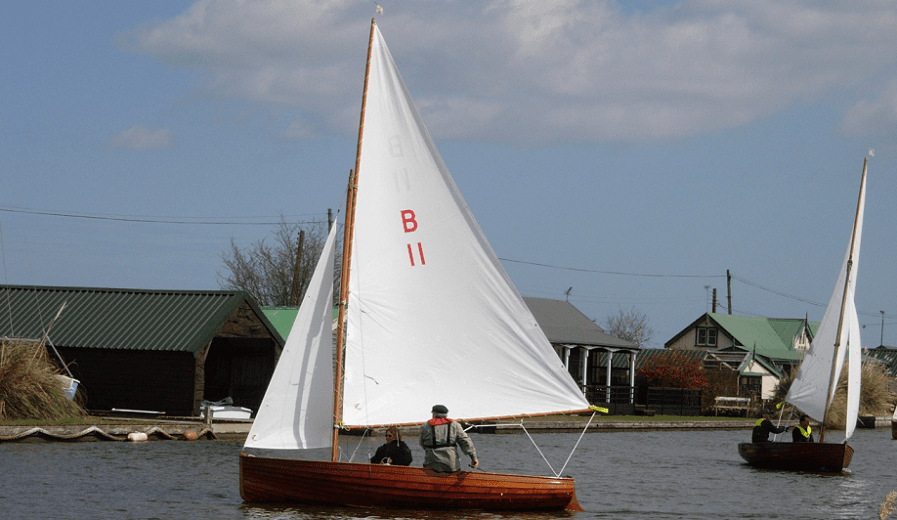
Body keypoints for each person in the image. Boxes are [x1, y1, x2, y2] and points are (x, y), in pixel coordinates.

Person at [419, 404, 478, 472]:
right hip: (451, 466)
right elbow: (465, 442)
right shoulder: (455, 425)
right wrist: (474, 458)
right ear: (446, 414)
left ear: (434, 414)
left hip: (431, 465)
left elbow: (422, 444)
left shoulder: (425, 426)